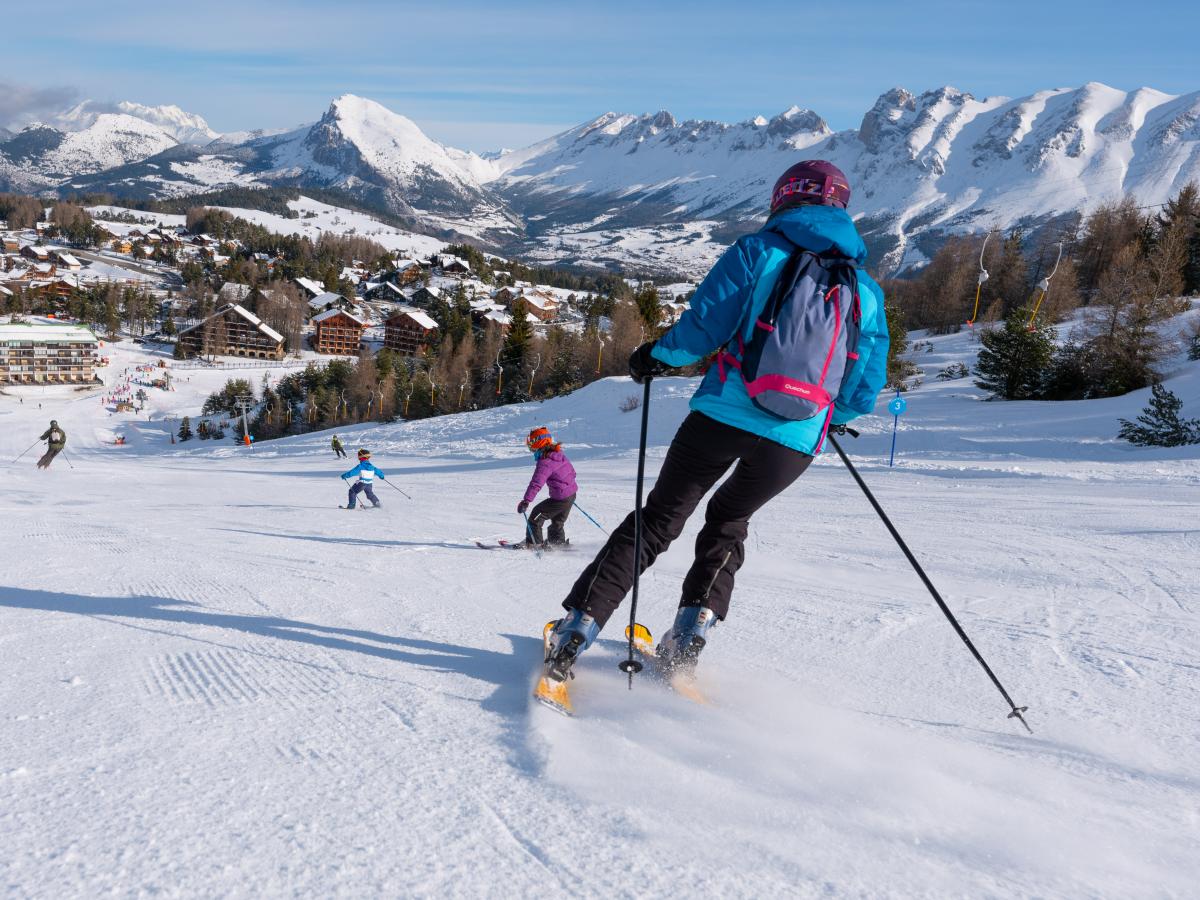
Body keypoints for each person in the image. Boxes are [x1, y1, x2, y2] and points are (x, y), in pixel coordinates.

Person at [541, 160, 890, 685]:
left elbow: (703, 328)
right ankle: (688, 637)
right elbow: (865, 382)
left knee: (658, 521)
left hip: (722, 416)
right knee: (729, 522)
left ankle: (576, 630)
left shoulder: (757, 251)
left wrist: (654, 358)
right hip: (792, 442)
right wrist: (824, 416)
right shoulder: (865, 290)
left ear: (782, 199)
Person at [517, 427, 577, 548]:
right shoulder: (558, 454)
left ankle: (534, 544)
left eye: (532, 444)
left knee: (535, 518)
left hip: (561, 498)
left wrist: (526, 501)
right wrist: (567, 490)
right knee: (557, 521)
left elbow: (536, 483)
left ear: (539, 443)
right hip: (570, 495)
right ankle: (557, 544)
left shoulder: (545, 461)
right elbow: (572, 472)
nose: (530, 447)